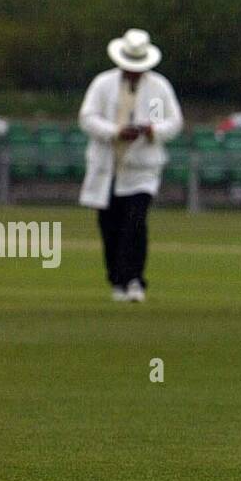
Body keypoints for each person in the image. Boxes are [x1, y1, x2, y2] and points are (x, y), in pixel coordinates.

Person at [78, 28, 184, 303]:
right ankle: (117, 279)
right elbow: (87, 117)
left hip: (142, 170)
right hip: (107, 168)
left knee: (135, 224)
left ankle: (135, 279)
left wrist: (151, 131)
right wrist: (115, 131)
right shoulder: (103, 84)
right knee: (110, 226)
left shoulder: (158, 88)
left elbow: (171, 122)